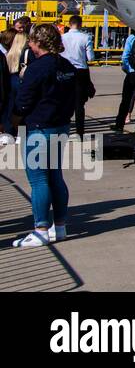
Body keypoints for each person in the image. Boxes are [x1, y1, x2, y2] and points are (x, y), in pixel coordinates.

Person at [12, 23, 77, 247]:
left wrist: (13, 121)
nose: (29, 44)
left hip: (40, 127)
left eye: (31, 40)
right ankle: (59, 226)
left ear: (38, 42)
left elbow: (23, 101)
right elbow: (80, 94)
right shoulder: (67, 66)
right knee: (55, 176)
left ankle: (40, 229)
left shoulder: (38, 67)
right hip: (60, 126)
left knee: (39, 179)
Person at [60, 15, 95, 138]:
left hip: (65, 70)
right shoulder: (86, 37)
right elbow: (91, 58)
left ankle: (63, 129)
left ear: (69, 24)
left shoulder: (62, 37)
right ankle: (80, 132)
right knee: (79, 105)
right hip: (80, 71)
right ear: (80, 24)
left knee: (64, 101)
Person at [3, 16, 33, 145]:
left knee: (10, 107)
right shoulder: (27, 52)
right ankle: (21, 133)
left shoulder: (8, 54)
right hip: (21, 80)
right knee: (22, 108)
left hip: (10, 80)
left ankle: (9, 133)